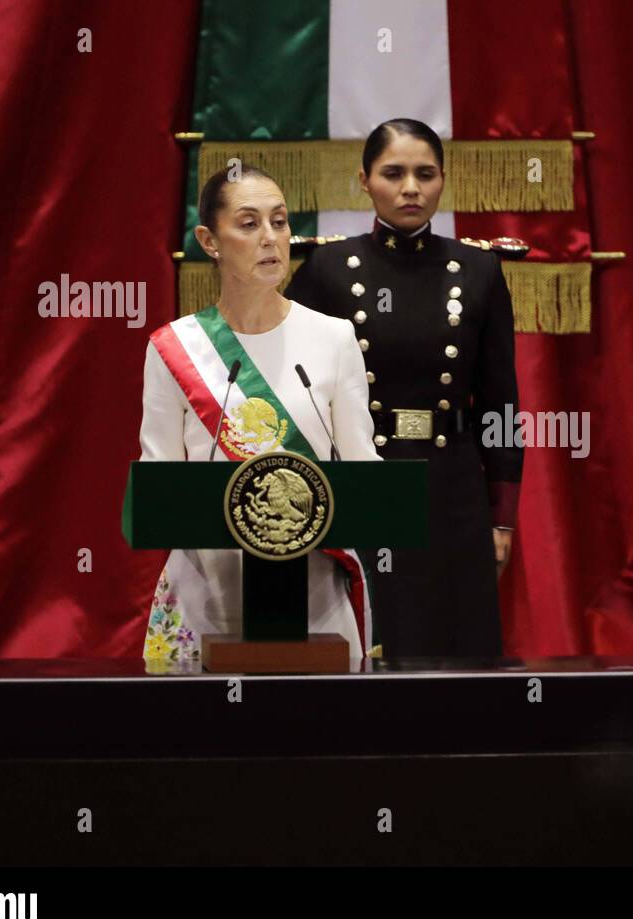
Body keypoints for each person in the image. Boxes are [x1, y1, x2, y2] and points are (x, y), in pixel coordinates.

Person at [285, 118, 522, 658]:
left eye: (425, 173)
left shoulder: (478, 269)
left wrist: (501, 517)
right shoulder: (328, 268)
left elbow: (500, 405)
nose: (410, 187)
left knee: (456, 645)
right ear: (365, 180)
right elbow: (297, 393)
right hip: (364, 481)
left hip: (452, 483)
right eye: (393, 173)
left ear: (443, 180)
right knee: (376, 637)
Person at [138, 164, 380, 670]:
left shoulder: (334, 338)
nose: (271, 238)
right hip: (208, 592)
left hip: (314, 596)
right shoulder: (174, 348)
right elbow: (158, 485)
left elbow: (365, 475)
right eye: (249, 224)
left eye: (280, 221)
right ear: (210, 239)